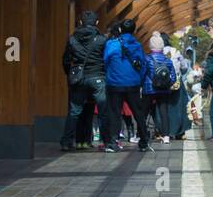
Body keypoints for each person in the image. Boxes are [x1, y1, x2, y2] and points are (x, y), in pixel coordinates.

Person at [60, 12, 113, 152]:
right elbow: (107, 60)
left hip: (79, 79)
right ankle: (107, 142)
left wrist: (72, 75)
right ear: (96, 23)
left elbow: (65, 60)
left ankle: (66, 142)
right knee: (103, 111)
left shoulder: (72, 39)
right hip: (98, 78)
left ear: (80, 22)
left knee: (74, 112)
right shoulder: (102, 40)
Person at [103, 18, 151, 152]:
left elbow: (106, 62)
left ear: (120, 29)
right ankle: (143, 141)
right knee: (138, 113)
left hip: (114, 83)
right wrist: (139, 80)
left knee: (114, 113)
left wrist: (111, 74)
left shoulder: (111, 44)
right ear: (134, 30)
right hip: (133, 84)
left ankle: (113, 142)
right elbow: (143, 65)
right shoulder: (137, 45)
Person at [142, 33, 176, 143]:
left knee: (144, 112)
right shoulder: (168, 60)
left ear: (151, 46)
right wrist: (166, 84)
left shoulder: (146, 59)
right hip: (164, 90)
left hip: (149, 89)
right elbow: (174, 78)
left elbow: (142, 74)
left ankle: (140, 134)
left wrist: (142, 84)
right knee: (164, 112)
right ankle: (166, 136)